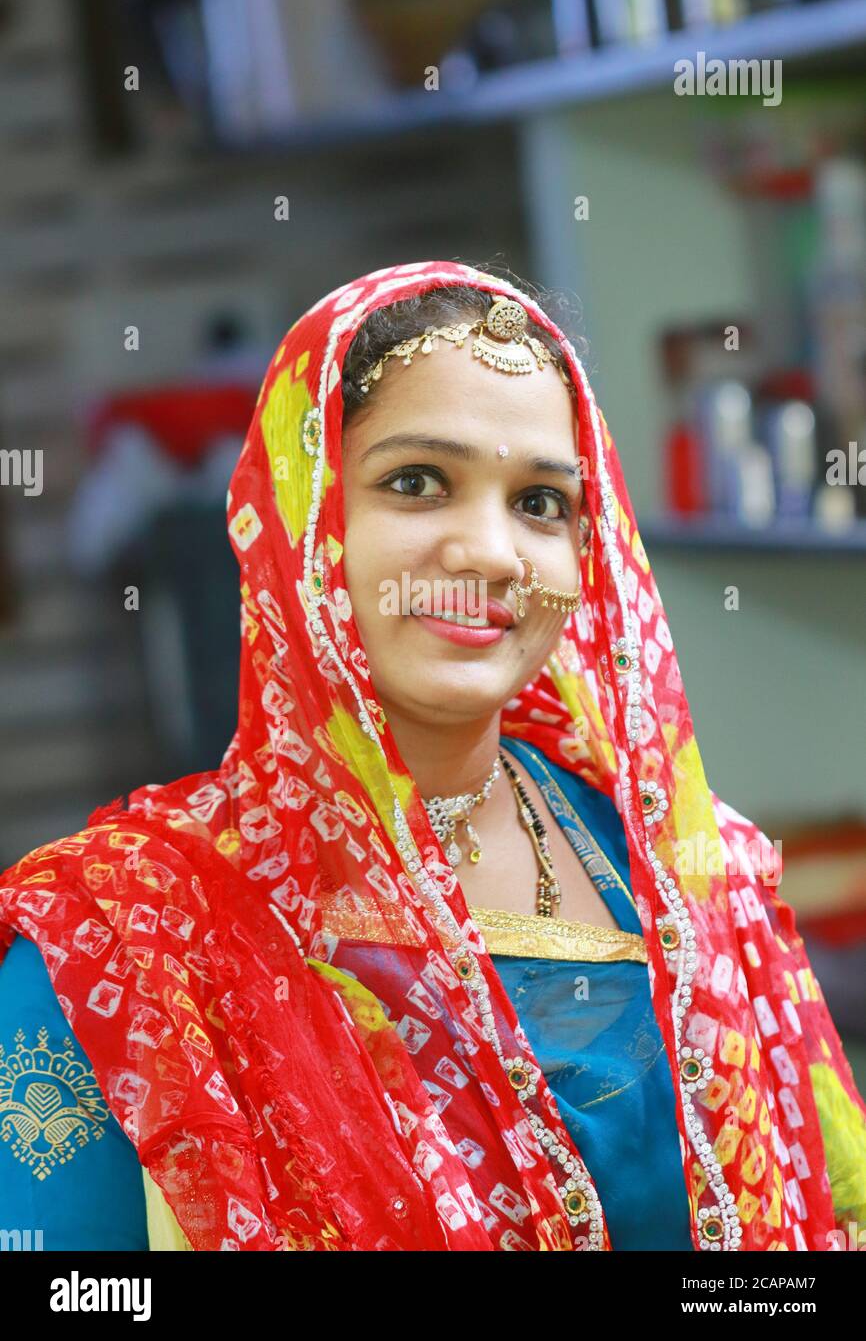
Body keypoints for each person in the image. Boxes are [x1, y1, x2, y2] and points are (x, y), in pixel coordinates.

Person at [1, 259, 864, 1252]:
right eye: (417, 483)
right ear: (303, 516)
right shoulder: (116, 940)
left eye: (540, 502)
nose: (492, 552)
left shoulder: (697, 876)